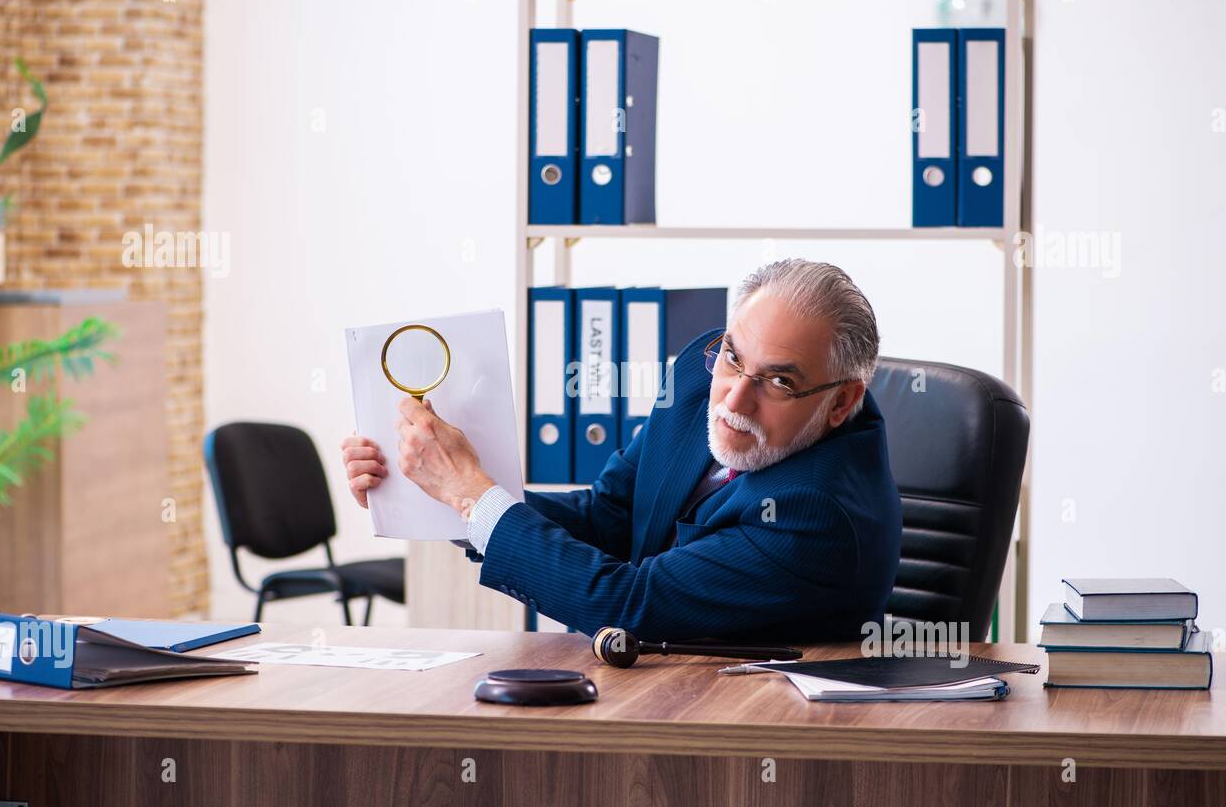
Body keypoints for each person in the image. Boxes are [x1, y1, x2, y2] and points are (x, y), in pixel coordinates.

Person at [341, 258, 902, 642]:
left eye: (777, 383)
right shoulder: (694, 373)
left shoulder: (818, 515)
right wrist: (436, 492)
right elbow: (608, 516)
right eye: (733, 356)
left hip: (753, 736)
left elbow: (629, 605)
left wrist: (471, 494)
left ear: (839, 402)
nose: (735, 398)